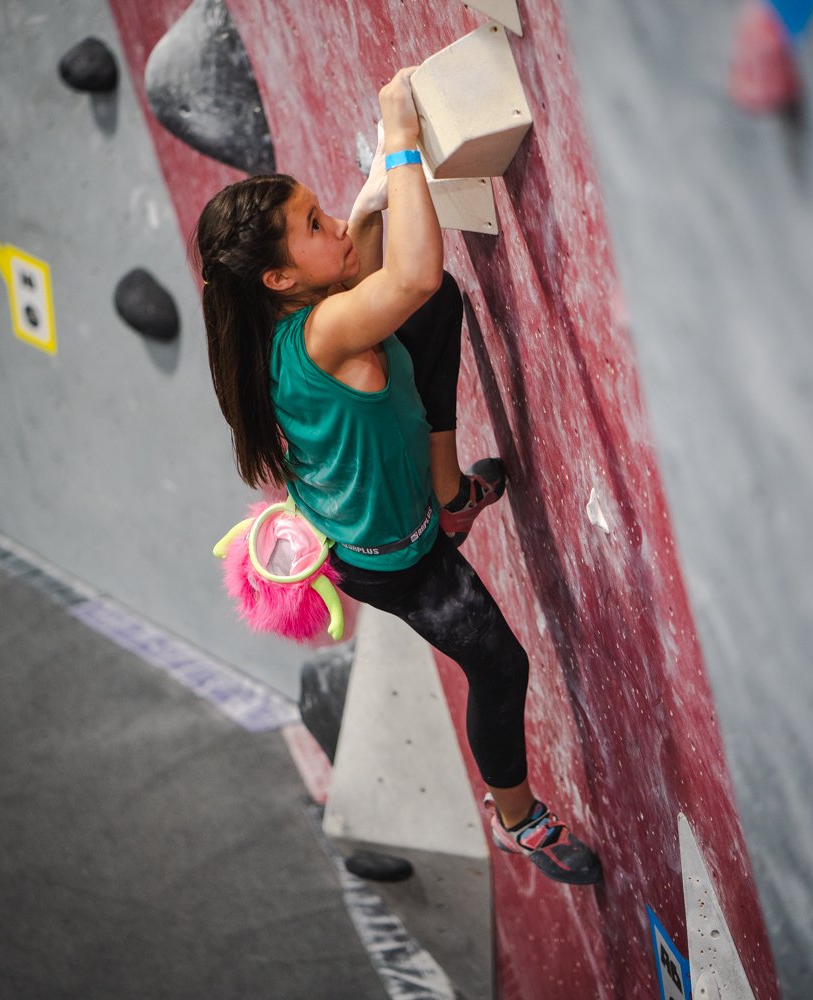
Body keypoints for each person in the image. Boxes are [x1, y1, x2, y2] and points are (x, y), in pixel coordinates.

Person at [193, 67, 601, 886]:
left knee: (437, 304)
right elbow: (402, 277)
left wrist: (374, 200)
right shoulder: (327, 330)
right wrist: (402, 142)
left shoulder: (290, 325)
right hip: (395, 559)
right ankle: (517, 819)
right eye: (315, 223)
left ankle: (452, 495)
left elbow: (392, 281)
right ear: (280, 280)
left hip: (382, 495)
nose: (334, 219)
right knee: (501, 667)